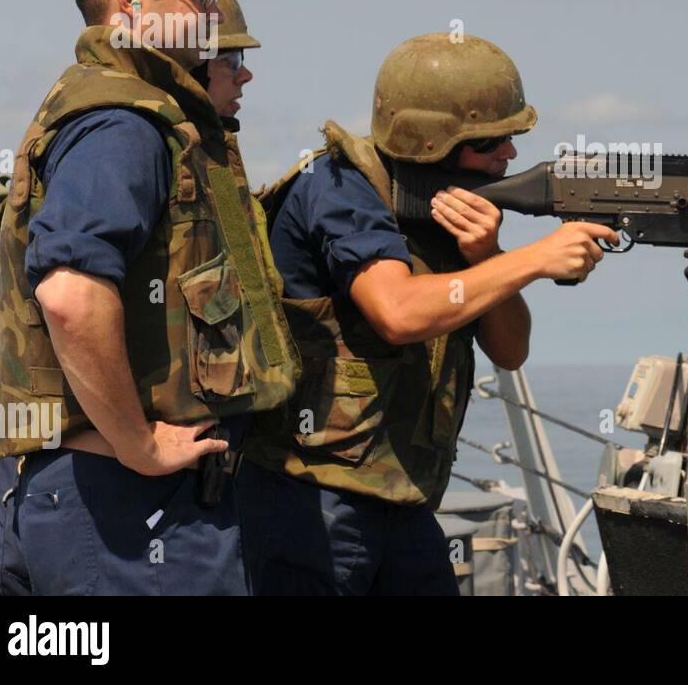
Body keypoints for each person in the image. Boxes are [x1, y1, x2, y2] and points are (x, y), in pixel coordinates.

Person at [0, 0, 299, 596]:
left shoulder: (125, 113)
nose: (216, 14)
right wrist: (141, 444)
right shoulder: (124, 124)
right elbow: (69, 293)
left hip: (100, 500)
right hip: (127, 510)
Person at [239, 32, 617, 595]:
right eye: (492, 141)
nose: (509, 155)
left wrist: (487, 256)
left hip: (402, 497)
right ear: (433, 143)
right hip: (309, 497)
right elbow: (397, 311)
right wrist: (534, 260)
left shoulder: (447, 209)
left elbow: (511, 351)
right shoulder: (338, 186)